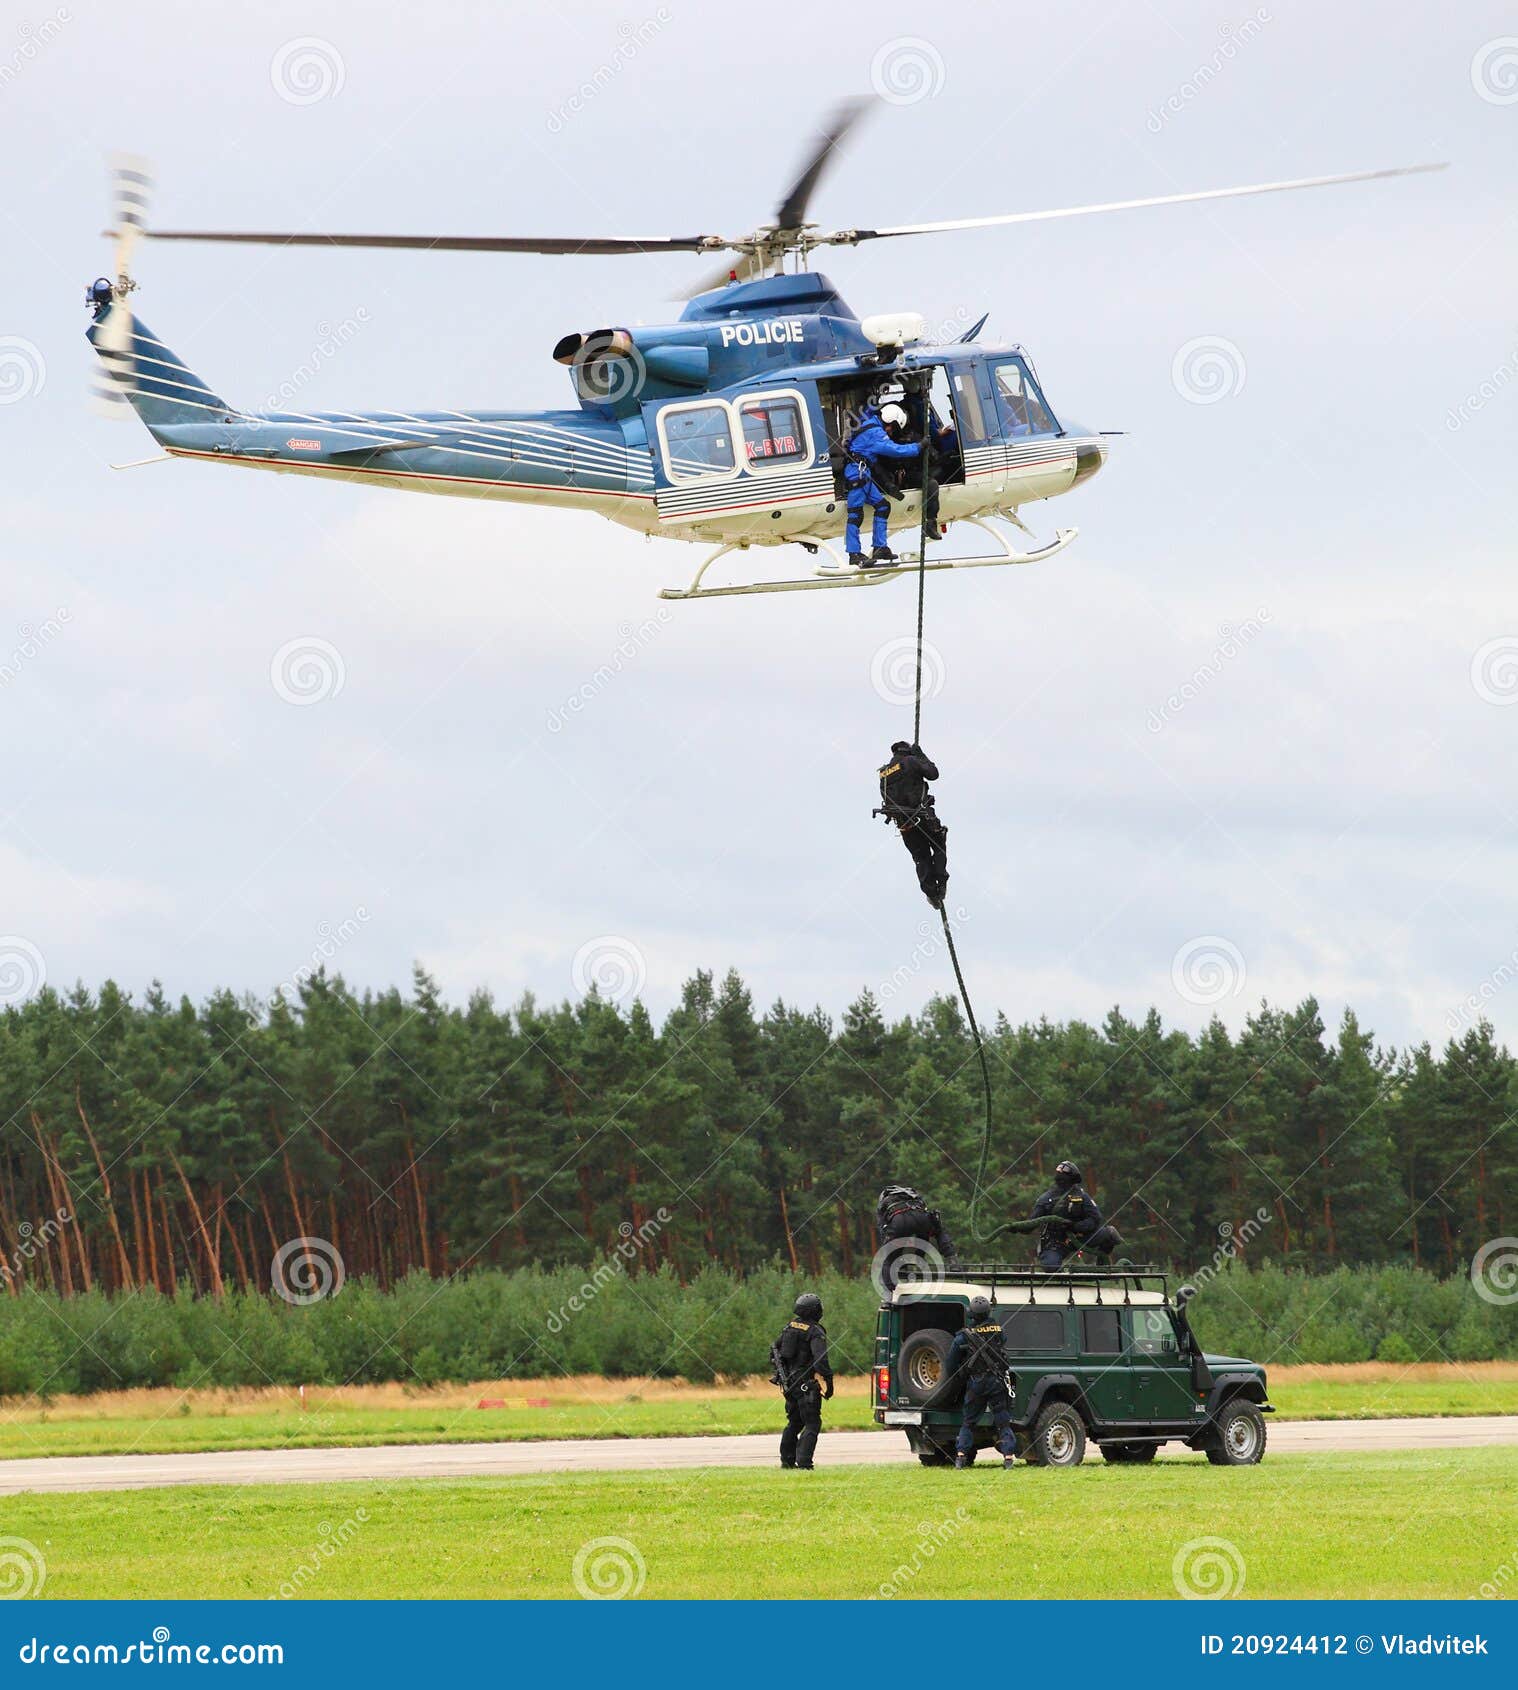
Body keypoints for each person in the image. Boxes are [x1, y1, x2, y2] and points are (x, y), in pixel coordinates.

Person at [844, 400, 922, 567]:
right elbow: (895, 450)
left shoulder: (871, 424)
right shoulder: (876, 432)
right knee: (855, 514)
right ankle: (854, 554)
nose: (891, 431)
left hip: (863, 473)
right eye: (893, 428)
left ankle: (880, 547)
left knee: (883, 506)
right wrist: (918, 447)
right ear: (889, 422)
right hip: (856, 474)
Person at [947, 1294, 1017, 1470]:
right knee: (1003, 1420)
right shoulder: (998, 1331)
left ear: (972, 1314)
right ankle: (1008, 1458)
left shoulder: (964, 1336)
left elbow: (951, 1362)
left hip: (976, 1383)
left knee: (969, 1421)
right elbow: (1003, 1343)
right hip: (996, 1381)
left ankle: (961, 1457)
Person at [876, 741, 949, 908]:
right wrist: (921, 756)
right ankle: (941, 883)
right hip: (922, 817)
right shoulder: (911, 761)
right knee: (938, 845)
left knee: (920, 858)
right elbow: (933, 774)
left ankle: (931, 893)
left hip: (905, 823)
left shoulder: (884, 773)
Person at [771, 1292, 834, 1470]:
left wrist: (782, 1375)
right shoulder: (815, 1330)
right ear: (814, 1311)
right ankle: (805, 1463)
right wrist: (829, 1384)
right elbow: (821, 1361)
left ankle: (787, 1461)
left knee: (795, 1422)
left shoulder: (789, 1327)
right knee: (813, 1423)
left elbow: (774, 1352)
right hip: (805, 1384)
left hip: (789, 1384)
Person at [1031, 1159, 1124, 1271]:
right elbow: (1032, 1222)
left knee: (1110, 1234)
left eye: (1063, 1172)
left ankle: (1101, 1268)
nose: (1060, 1175)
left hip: (1079, 1237)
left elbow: (1095, 1219)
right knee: (1051, 1268)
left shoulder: (1082, 1196)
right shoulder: (1046, 1198)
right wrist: (1017, 1227)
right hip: (1055, 1243)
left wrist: (1075, 1226)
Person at [875, 1183, 958, 1293]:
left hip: (899, 1221)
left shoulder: (883, 1203)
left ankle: (889, 1293)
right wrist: (919, 1258)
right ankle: (953, 1261)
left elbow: (883, 1229)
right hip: (921, 1217)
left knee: (888, 1257)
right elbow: (923, 1237)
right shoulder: (915, 1196)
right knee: (939, 1231)